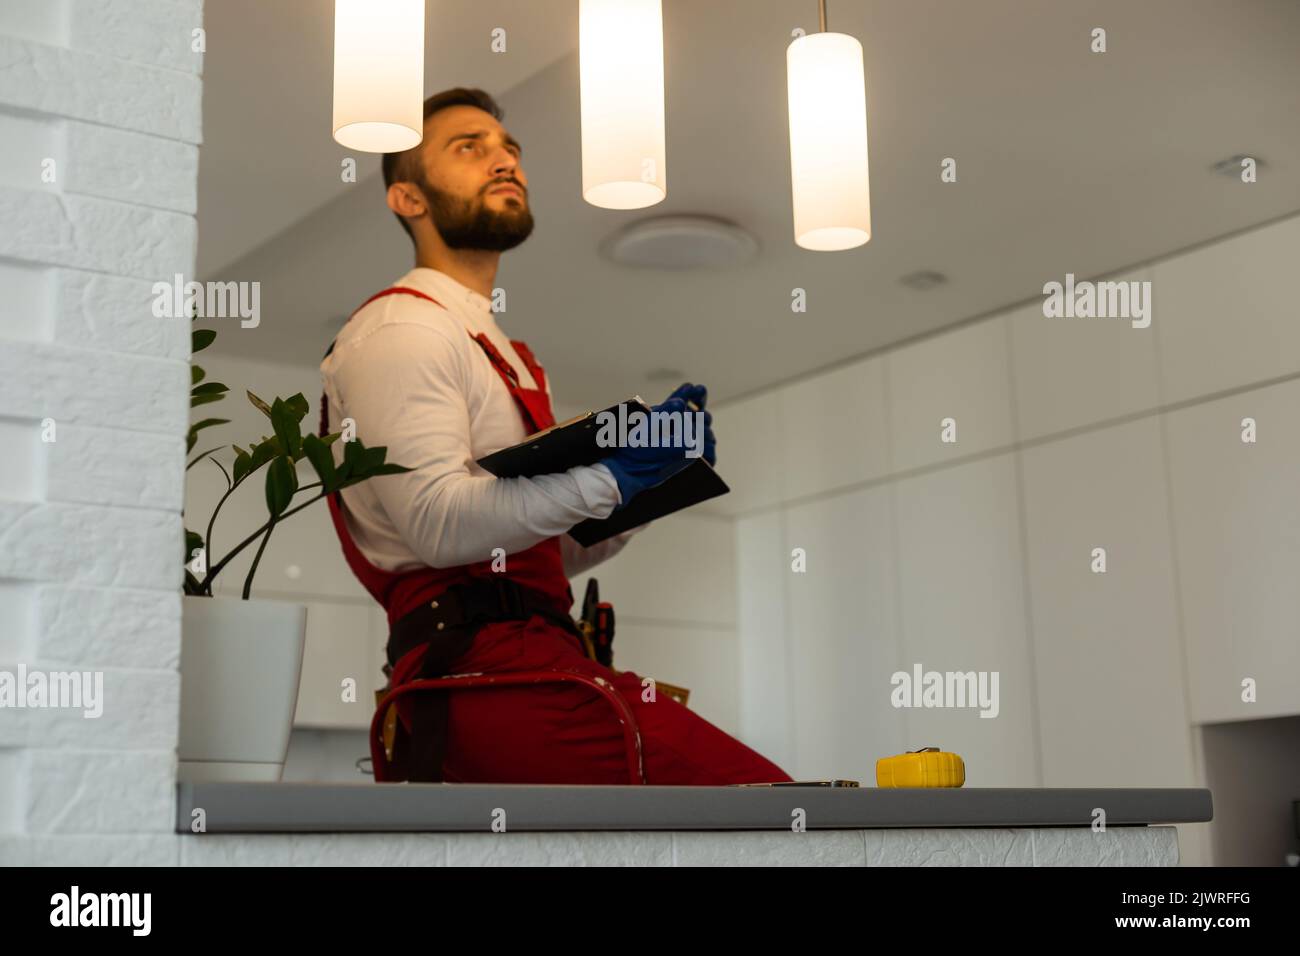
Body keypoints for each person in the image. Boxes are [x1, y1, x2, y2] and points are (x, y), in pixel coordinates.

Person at [319, 87, 792, 785]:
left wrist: (650, 488)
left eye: (509, 148)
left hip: (533, 654)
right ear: (408, 198)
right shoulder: (403, 329)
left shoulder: (498, 346)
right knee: (769, 809)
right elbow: (439, 528)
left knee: (759, 816)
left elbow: (538, 555)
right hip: (480, 670)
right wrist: (608, 479)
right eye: (468, 147)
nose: (504, 160)